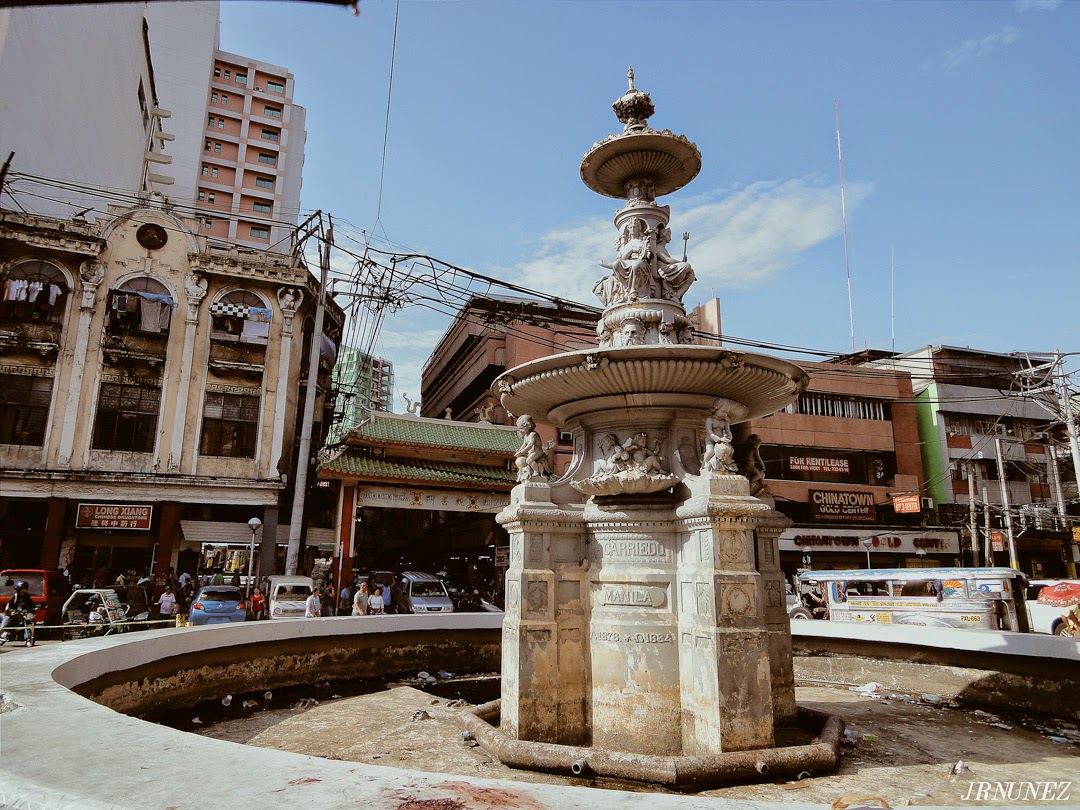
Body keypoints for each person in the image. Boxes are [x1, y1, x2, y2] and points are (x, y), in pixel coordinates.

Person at [0, 581, 35, 646]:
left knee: (27, 621)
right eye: (22, 589)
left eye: (24, 589)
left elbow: (31, 605)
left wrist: (32, 609)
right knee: (3, 626)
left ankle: (27, 637)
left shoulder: (26, 597)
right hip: (11, 614)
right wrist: (11, 611)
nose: (23, 591)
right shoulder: (14, 597)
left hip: (21, 614)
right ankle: (3, 634)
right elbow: (9, 606)